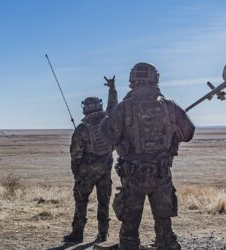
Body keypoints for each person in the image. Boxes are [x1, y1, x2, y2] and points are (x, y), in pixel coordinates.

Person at [101, 62, 195, 250]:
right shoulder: (169, 106)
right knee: (163, 222)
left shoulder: (123, 108)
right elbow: (189, 132)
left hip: (133, 176)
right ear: (155, 79)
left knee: (130, 225)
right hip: (161, 175)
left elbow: (109, 136)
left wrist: (109, 117)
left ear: (133, 81)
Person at [64, 76, 118, 243]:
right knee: (104, 202)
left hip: (86, 172)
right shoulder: (108, 121)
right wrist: (112, 88)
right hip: (106, 170)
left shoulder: (82, 128)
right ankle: (102, 234)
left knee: (81, 202)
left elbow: (75, 155)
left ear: (85, 109)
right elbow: (113, 106)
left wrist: (77, 174)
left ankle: (77, 234)